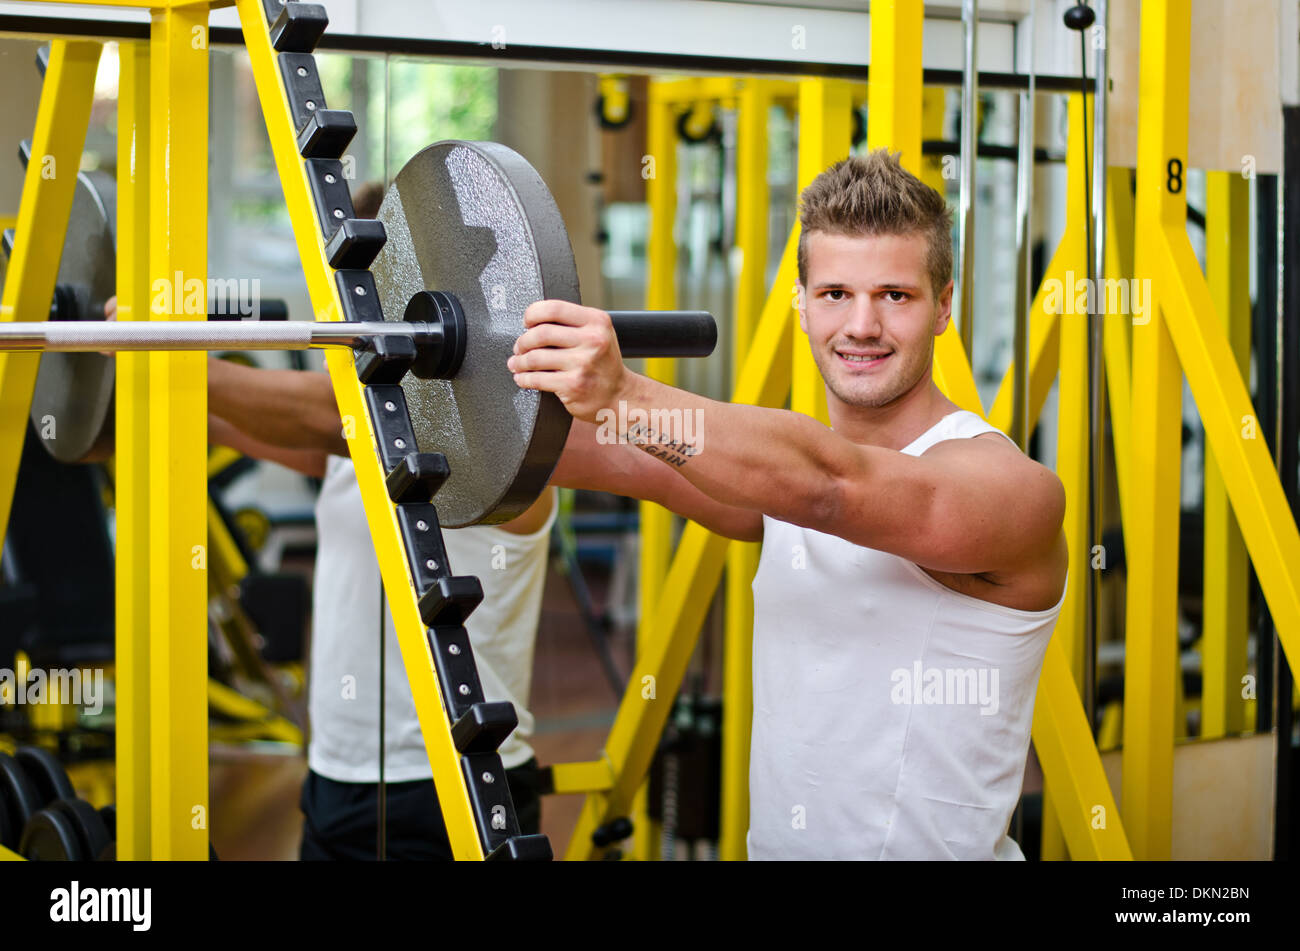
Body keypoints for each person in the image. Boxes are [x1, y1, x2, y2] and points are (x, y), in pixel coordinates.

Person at [513, 149, 1069, 860]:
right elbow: (595, 452)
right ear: (801, 305)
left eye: (894, 296)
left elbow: (835, 488)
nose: (862, 325)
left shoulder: (1009, 490)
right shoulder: (773, 483)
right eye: (836, 293)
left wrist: (628, 392)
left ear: (945, 306)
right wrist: (434, 402)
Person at [108, 181, 555, 860]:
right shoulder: (367, 437)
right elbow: (262, 420)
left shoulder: (490, 436)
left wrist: (163, 348)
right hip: (338, 777)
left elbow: (314, 411)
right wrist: (125, 362)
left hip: (454, 784)